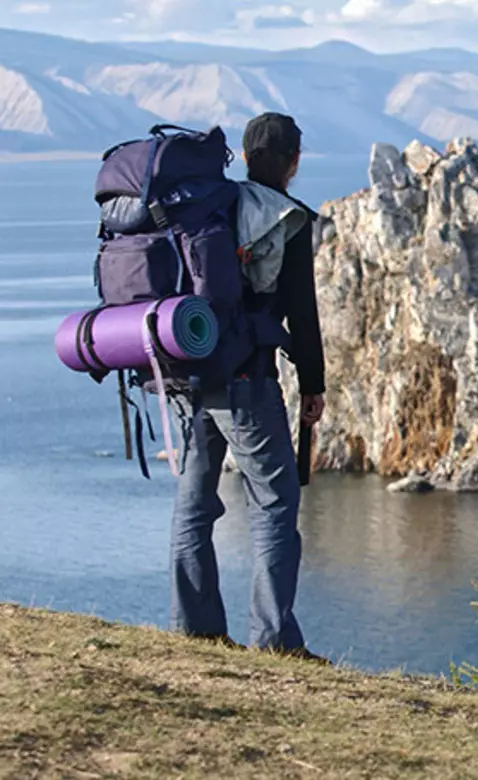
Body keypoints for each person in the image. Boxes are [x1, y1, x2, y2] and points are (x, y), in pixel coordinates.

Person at [169, 112, 327, 661]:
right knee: (275, 504)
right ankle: (274, 638)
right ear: (293, 161)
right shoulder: (285, 219)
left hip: (192, 378)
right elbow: (302, 313)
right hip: (248, 383)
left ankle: (195, 629)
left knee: (193, 505)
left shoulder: (210, 206)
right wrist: (314, 384)